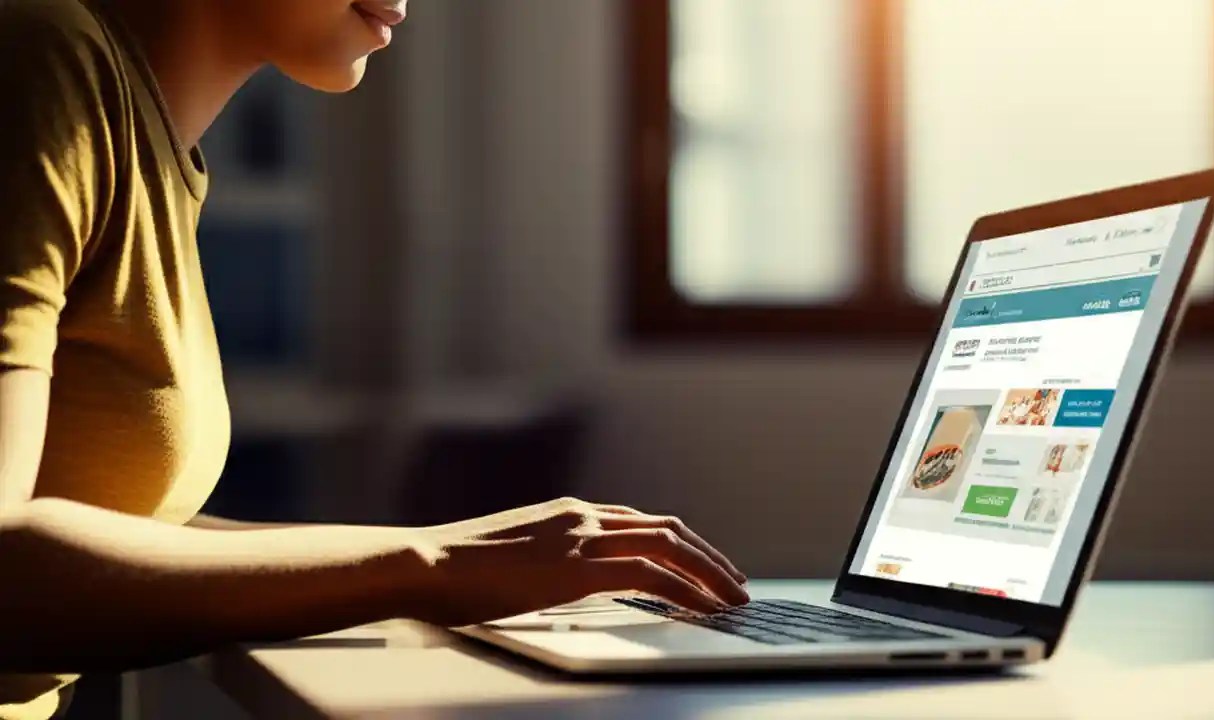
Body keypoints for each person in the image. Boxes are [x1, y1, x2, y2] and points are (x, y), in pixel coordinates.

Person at [0, 1, 749, 717]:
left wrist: (470, 558)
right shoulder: (42, 59)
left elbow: (118, 524)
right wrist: (429, 565)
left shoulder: (147, 140)